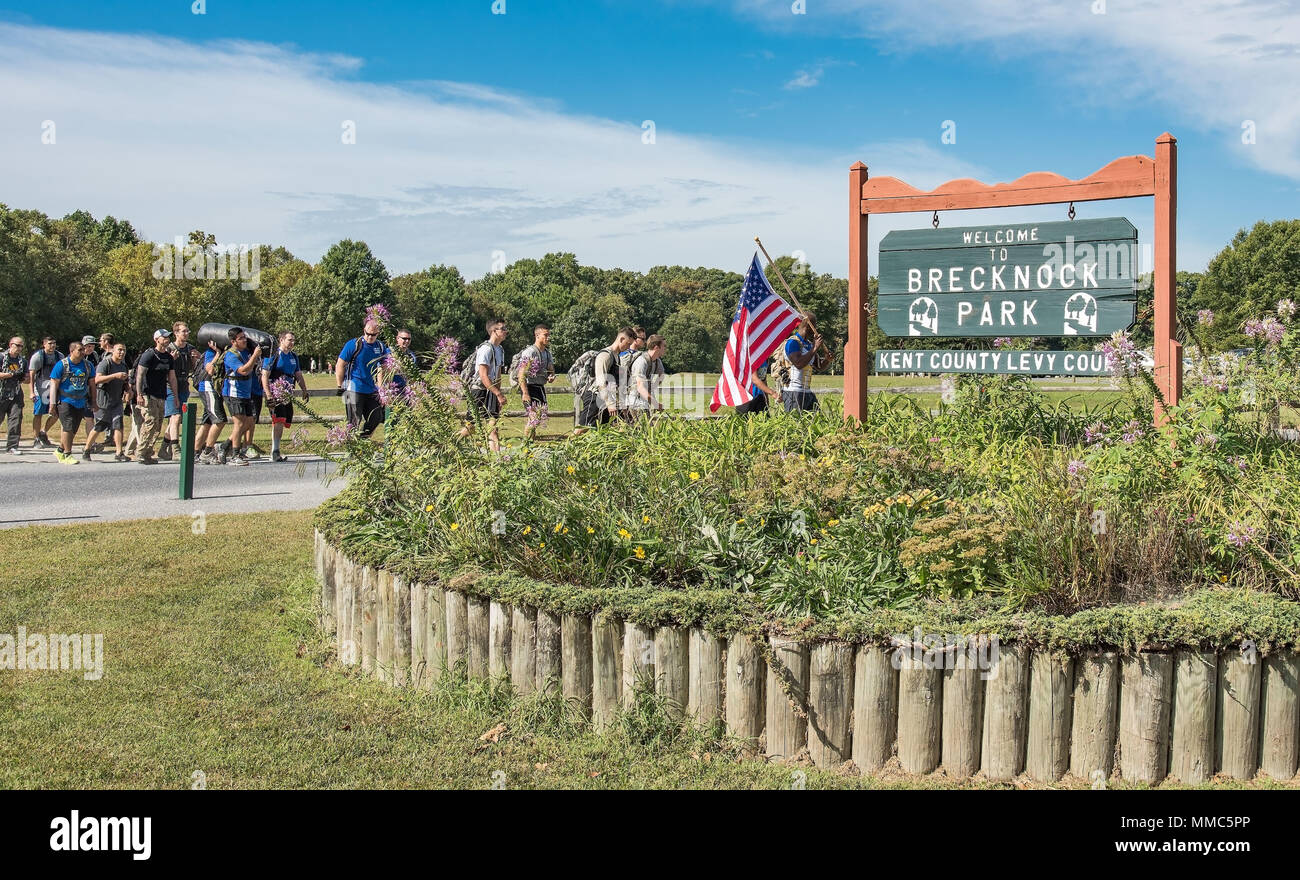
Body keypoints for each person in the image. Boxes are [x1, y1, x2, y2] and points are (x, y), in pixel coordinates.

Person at [457, 318, 508, 453]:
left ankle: (497, 462)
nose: (505, 331)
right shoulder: (485, 349)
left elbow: (497, 374)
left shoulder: (500, 350)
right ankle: (452, 445)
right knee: (470, 427)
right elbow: (483, 375)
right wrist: (498, 393)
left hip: (492, 391)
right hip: (479, 390)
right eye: (502, 329)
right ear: (493, 331)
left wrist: (498, 394)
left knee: (492, 427)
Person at [335, 321, 390, 440]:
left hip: (370, 388)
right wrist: (340, 385)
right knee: (353, 421)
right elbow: (340, 364)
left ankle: (362, 441)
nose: (370, 337)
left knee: (376, 416)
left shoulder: (380, 346)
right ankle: (352, 450)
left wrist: (381, 388)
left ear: (378, 333)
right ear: (364, 330)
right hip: (352, 387)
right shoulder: (354, 344)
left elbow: (383, 367)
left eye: (373, 334)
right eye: (367, 333)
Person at [261, 330, 310, 462]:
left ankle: (276, 449)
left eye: (293, 340)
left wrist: (304, 390)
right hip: (275, 392)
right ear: (281, 340)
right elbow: (264, 375)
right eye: (289, 340)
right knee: (278, 420)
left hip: (287, 393)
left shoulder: (294, 356)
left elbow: (298, 374)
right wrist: (269, 394)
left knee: (284, 421)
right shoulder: (273, 355)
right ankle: (275, 451)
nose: (292, 343)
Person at [576, 327, 635, 433]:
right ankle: (568, 446)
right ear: (621, 339)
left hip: (606, 399)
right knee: (583, 428)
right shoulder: (605, 355)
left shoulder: (616, 357)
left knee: (604, 430)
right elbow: (601, 382)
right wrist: (610, 403)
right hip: (595, 397)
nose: (628, 347)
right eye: (628, 343)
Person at [135, 329, 180, 465]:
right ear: (157, 339)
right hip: (148, 394)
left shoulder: (168, 357)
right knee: (150, 422)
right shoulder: (149, 355)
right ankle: (141, 451)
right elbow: (140, 375)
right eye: (164, 337)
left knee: (158, 424)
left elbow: (172, 378)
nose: (167, 339)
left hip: (161, 394)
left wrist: (176, 396)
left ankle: (148, 452)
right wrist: (139, 394)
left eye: (168, 337)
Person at [222, 327, 263, 466]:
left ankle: (224, 446)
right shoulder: (231, 355)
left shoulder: (246, 352)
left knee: (250, 422)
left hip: (246, 392)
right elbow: (243, 371)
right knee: (239, 423)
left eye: (244, 337)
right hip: (234, 393)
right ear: (233, 341)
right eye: (241, 338)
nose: (244, 340)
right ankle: (235, 454)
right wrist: (255, 356)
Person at [47, 340, 92, 464]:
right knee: (68, 426)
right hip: (65, 400)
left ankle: (60, 450)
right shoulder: (62, 365)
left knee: (73, 429)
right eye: (80, 350)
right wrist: (52, 403)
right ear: (72, 351)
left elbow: (92, 384)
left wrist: (93, 401)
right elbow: (54, 384)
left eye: (83, 350)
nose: (83, 352)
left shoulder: (88, 365)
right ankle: (67, 454)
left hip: (80, 401)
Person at [86, 341, 130, 462]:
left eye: (124, 350)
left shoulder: (123, 366)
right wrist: (114, 376)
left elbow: (125, 381)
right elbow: (97, 379)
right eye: (119, 350)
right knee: (100, 426)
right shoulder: (105, 363)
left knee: (118, 425)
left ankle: (119, 452)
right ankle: (87, 449)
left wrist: (128, 391)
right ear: (113, 351)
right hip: (104, 400)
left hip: (117, 401)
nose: (122, 352)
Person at [161, 322, 199, 462]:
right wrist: (171, 359)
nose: (186, 333)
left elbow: (196, 369)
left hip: (183, 385)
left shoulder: (190, 349)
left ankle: (163, 448)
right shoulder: (169, 349)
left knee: (174, 419)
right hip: (170, 386)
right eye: (183, 331)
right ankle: (175, 449)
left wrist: (195, 360)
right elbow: (162, 369)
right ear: (176, 333)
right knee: (176, 417)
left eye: (187, 331)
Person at [517, 324, 556, 442]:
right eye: (545, 335)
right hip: (529, 386)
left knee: (538, 418)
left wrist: (551, 376)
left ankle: (531, 443)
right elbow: (521, 373)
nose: (548, 338)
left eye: (549, 335)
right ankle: (526, 444)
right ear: (537, 335)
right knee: (533, 417)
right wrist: (525, 393)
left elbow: (551, 369)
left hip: (540, 387)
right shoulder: (530, 352)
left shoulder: (547, 353)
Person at [196, 339, 229, 465]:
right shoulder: (210, 352)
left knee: (207, 422)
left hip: (215, 388)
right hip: (208, 387)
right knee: (220, 420)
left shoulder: (228, 352)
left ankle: (195, 452)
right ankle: (207, 452)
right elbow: (210, 370)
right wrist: (217, 354)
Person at [781, 314, 823, 414]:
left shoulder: (809, 344)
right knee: (796, 426)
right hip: (794, 392)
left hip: (807, 392)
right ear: (808, 326)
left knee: (817, 421)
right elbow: (798, 363)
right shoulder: (792, 342)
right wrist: (815, 348)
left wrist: (828, 359)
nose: (816, 329)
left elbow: (819, 367)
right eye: (815, 325)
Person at [28, 336, 62, 449]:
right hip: (40, 388)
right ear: (44, 344)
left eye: (54, 343)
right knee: (38, 414)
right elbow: (32, 375)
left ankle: (43, 432)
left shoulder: (59, 356)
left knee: (56, 413)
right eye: (50, 343)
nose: (52, 345)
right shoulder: (38, 356)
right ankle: (36, 438)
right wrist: (32, 392)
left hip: (55, 388)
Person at [626, 334, 667, 420]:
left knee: (645, 430)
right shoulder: (641, 361)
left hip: (643, 402)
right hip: (634, 402)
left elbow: (662, 375)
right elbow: (640, 387)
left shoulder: (657, 361)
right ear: (656, 347)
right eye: (664, 346)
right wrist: (655, 403)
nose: (665, 349)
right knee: (645, 430)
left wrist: (651, 388)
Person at [1, 336, 26, 455]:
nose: (19, 348)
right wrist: (10, 374)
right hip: (1, 392)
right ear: (11, 345)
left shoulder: (23, 361)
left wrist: (25, 377)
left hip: (16, 393)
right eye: (17, 345)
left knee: (15, 420)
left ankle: (12, 446)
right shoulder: (1, 357)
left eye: (21, 346)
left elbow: (26, 380)